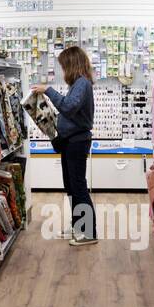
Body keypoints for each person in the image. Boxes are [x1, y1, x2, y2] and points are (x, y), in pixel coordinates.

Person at [32, 45, 97, 245]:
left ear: (70, 64)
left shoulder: (82, 84)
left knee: (78, 186)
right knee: (71, 186)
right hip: (70, 141)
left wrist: (48, 90)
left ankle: (88, 232)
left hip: (77, 141)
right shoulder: (77, 84)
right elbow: (70, 111)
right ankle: (78, 225)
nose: (62, 71)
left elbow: (69, 106)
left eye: (63, 66)